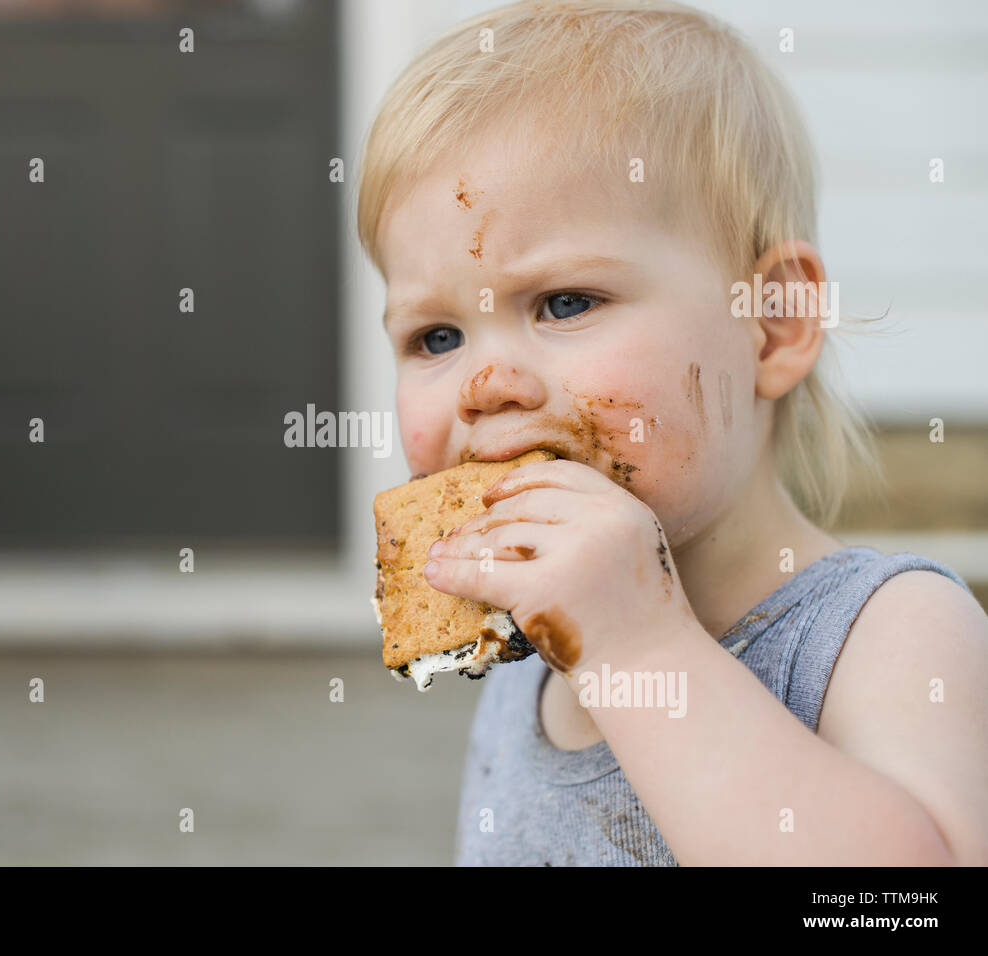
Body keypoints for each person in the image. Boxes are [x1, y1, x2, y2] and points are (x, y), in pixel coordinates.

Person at [356, 0, 988, 865]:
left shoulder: (890, 632)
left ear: (770, 322)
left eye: (565, 302)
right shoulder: (525, 668)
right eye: (436, 336)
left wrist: (638, 646)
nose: (484, 384)